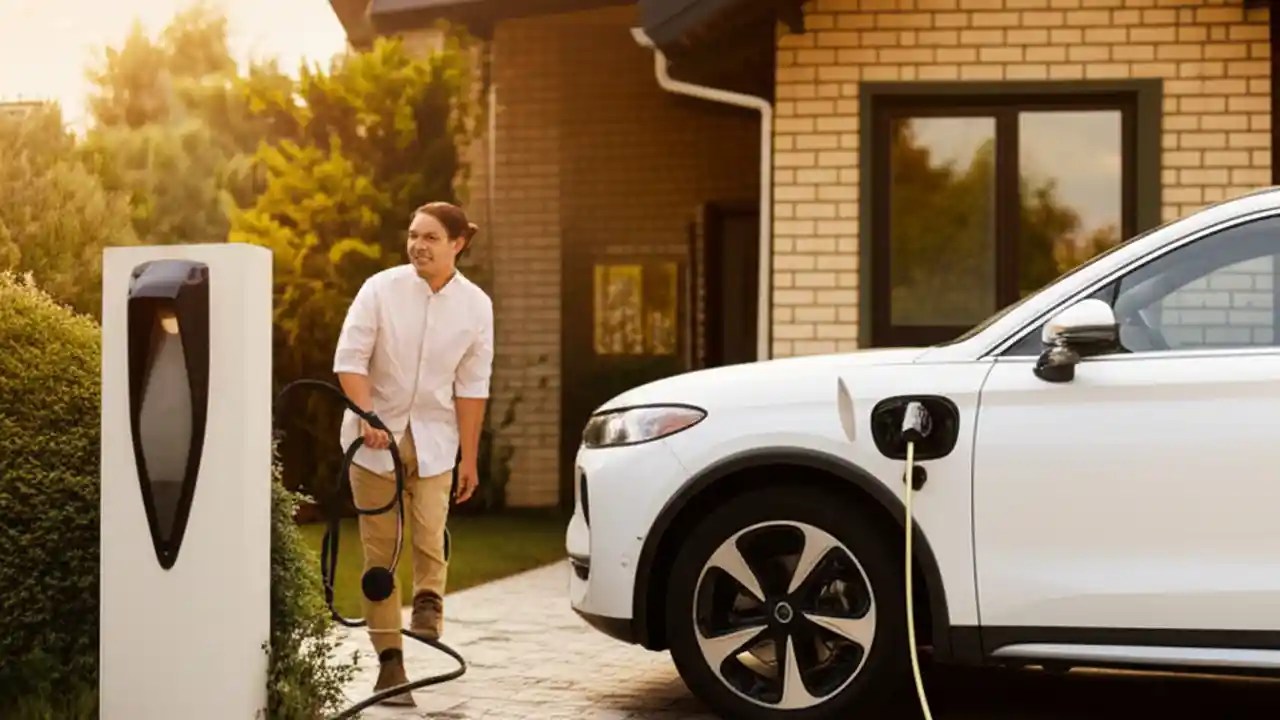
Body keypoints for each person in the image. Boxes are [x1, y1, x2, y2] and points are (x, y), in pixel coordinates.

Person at [332, 201, 494, 706]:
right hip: (374, 441)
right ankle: (390, 666)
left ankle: (429, 604)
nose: (418, 245)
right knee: (380, 554)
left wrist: (470, 457)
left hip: (436, 439)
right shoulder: (380, 290)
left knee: (428, 528)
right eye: (413, 235)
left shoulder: (476, 306)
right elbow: (349, 359)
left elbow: (472, 387)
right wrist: (366, 416)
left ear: (457, 244)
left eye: (430, 237)